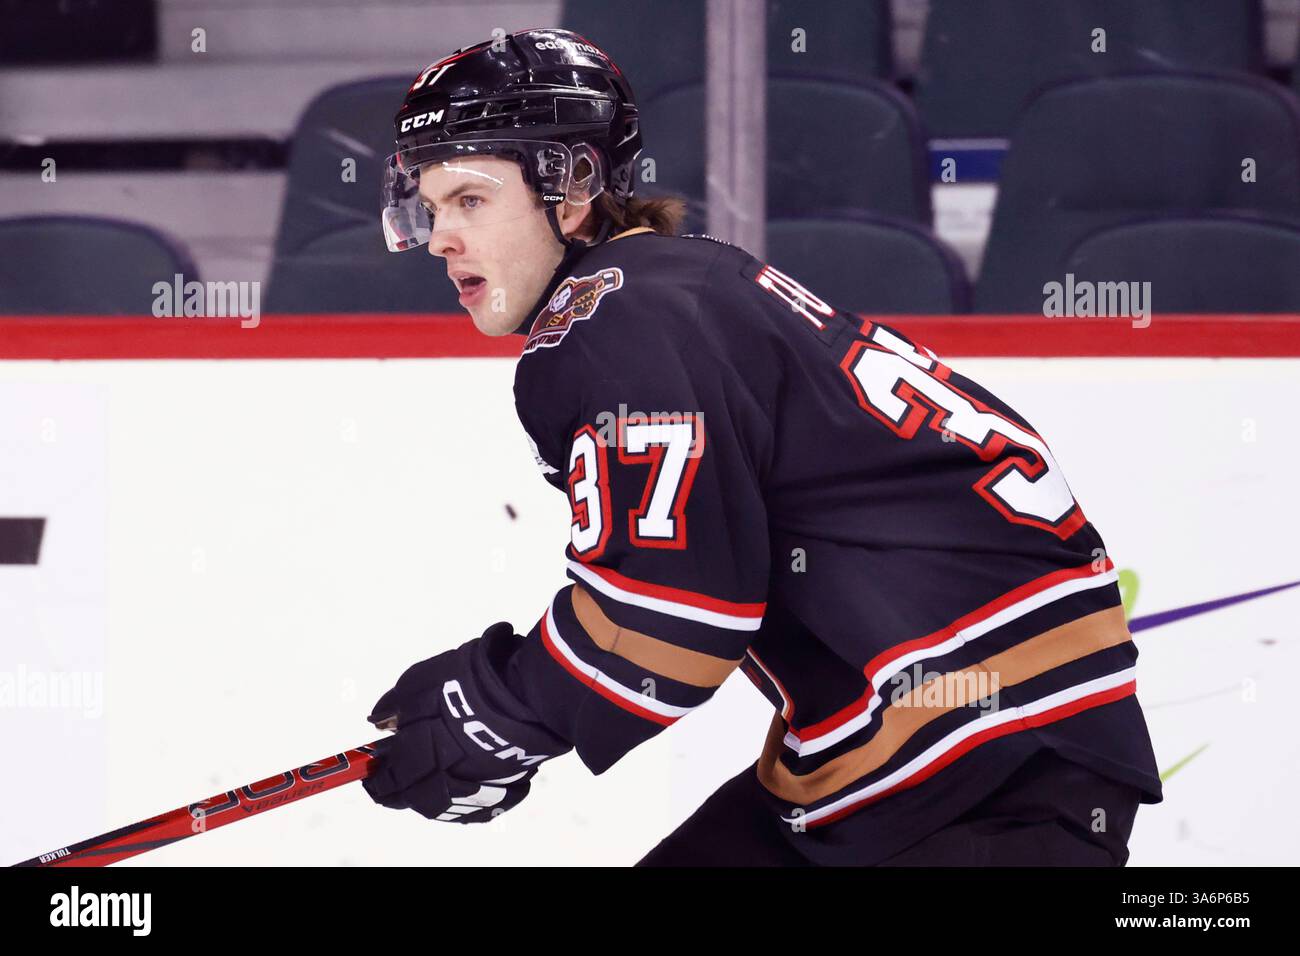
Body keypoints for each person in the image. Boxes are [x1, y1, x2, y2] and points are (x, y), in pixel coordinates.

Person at [363, 27, 1164, 866]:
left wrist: (497, 709)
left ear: (573, 188)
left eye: (471, 200)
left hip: (982, 774)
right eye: (430, 204)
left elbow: (669, 618)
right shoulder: (680, 287)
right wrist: (506, 713)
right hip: (922, 764)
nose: (440, 237)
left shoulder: (615, 318)